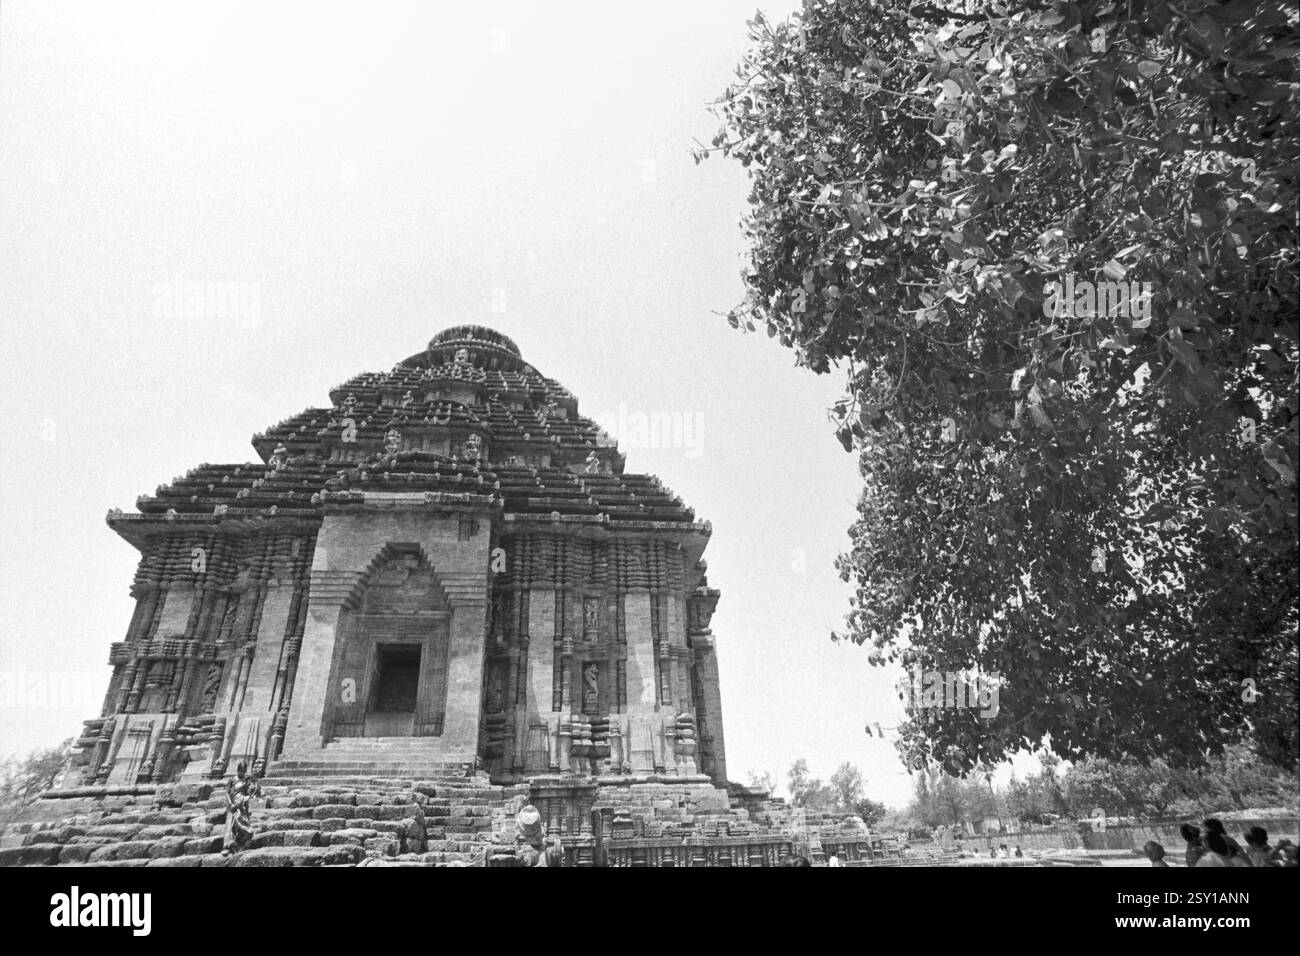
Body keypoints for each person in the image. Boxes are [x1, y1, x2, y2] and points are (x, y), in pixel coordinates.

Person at [220, 761, 258, 855]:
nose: (242, 773)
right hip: (232, 806)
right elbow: (227, 793)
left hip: (241, 805)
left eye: (243, 771)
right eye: (240, 771)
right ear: (237, 770)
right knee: (230, 825)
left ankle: (240, 845)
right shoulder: (232, 780)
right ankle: (227, 847)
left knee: (241, 824)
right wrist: (230, 804)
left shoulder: (245, 781)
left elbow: (248, 792)